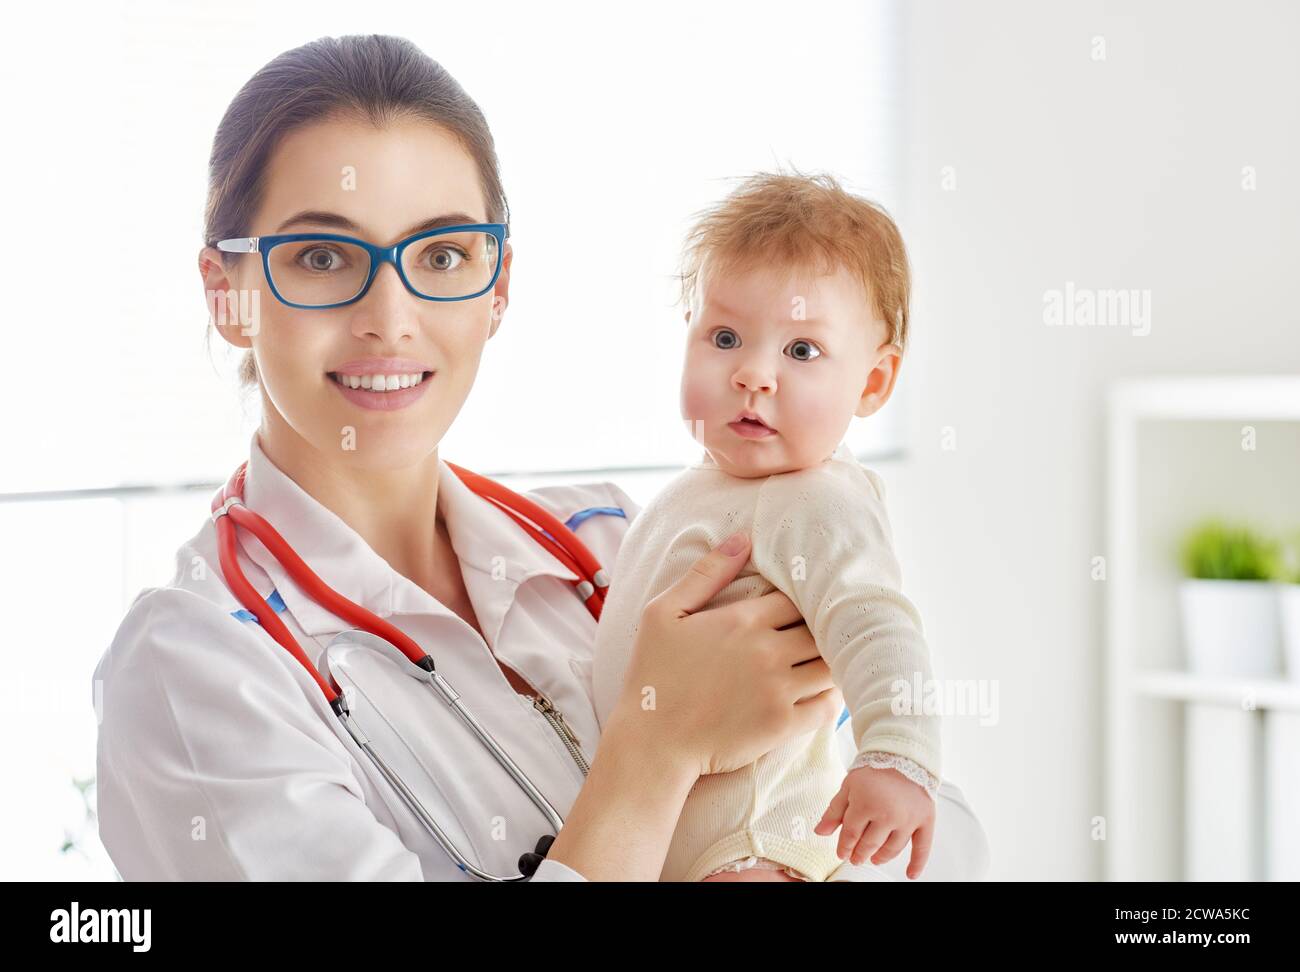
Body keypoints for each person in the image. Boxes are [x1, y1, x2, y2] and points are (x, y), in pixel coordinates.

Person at [92, 33, 988, 882]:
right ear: (227, 294)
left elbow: (939, 837)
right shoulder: (195, 666)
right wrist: (656, 749)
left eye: (441, 253)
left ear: (500, 288)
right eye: (323, 255)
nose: (390, 316)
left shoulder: (611, 542)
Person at [593, 171, 939, 882]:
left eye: (801, 350)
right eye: (725, 336)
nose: (753, 374)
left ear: (873, 384)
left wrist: (897, 757)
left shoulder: (814, 498)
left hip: (753, 847)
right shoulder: (703, 488)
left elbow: (877, 623)